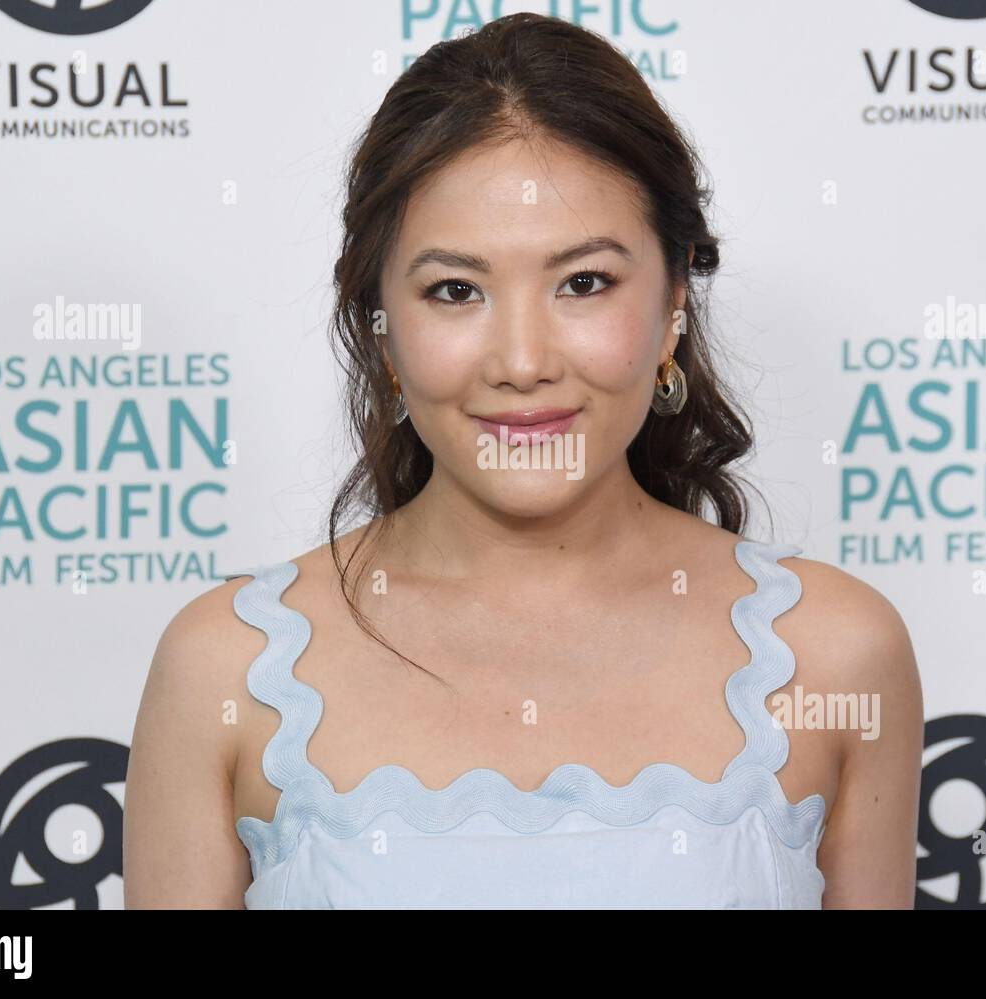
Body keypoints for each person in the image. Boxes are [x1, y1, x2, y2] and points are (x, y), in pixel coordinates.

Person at [123, 11, 923, 909]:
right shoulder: (226, 666)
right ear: (379, 327)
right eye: (454, 291)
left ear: (673, 306)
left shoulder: (836, 654)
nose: (521, 359)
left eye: (584, 282)